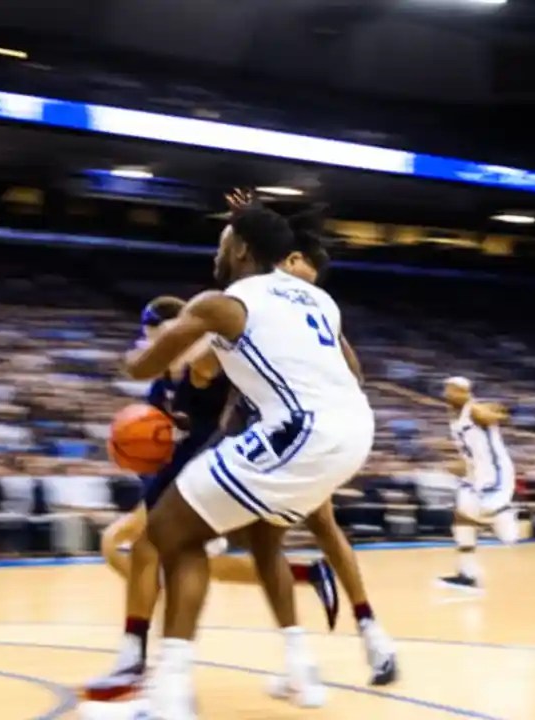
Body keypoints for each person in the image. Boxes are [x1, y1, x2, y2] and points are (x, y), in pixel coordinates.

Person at [121, 203, 374, 718]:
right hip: (355, 431)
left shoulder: (222, 303)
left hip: (303, 431)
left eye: (221, 241)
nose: (215, 250)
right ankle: (300, 667)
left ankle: (170, 697)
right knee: (261, 541)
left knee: (169, 533)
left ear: (239, 249)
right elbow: (356, 370)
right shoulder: (319, 299)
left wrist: (141, 347)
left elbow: (141, 367)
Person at [86, 292, 339, 702]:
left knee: (154, 549)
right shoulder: (162, 383)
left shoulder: (205, 363)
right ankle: (298, 654)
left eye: (157, 335)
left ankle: (151, 672)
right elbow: (159, 430)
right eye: (147, 336)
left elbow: (212, 353)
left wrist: (176, 345)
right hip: (187, 467)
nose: (149, 342)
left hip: (227, 465)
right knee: (162, 553)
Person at [437, 376, 521, 591]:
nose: (446, 393)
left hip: (496, 475)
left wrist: (493, 411)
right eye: (446, 389)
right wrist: (456, 467)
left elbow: (501, 413)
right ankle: (467, 575)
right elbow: (471, 451)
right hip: (474, 478)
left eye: (451, 389)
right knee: (461, 519)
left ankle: (525, 521)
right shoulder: (454, 418)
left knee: (502, 530)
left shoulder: (473, 409)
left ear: (464, 391)